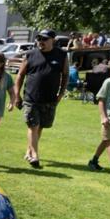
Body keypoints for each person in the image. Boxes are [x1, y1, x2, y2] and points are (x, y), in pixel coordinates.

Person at [15, 29, 68, 168]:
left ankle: (29, 150)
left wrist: (61, 93)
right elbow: (20, 75)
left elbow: (66, 75)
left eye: (44, 39)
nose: (41, 42)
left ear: (53, 40)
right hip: (31, 97)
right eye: (39, 39)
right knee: (33, 126)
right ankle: (35, 156)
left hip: (50, 99)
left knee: (40, 127)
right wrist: (17, 95)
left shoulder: (62, 55)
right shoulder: (30, 54)